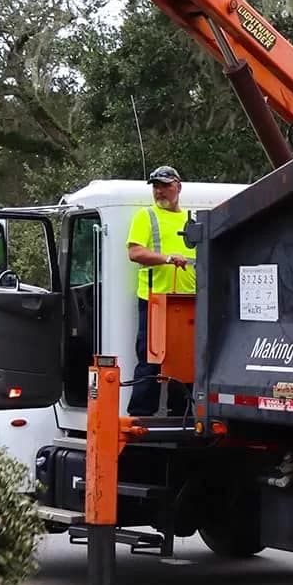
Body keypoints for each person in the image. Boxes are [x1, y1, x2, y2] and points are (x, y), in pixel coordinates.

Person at [126, 165, 196, 416]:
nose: (159, 191)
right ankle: (141, 415)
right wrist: (167, 258)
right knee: (150, 359)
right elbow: (135, 252)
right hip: (155, 301)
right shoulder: (146, 216)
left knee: (184, 360)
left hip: (188, 302)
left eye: (165, 185)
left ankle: (183, 414)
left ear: (178, 186)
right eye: (155, 186)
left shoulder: (191, 219)